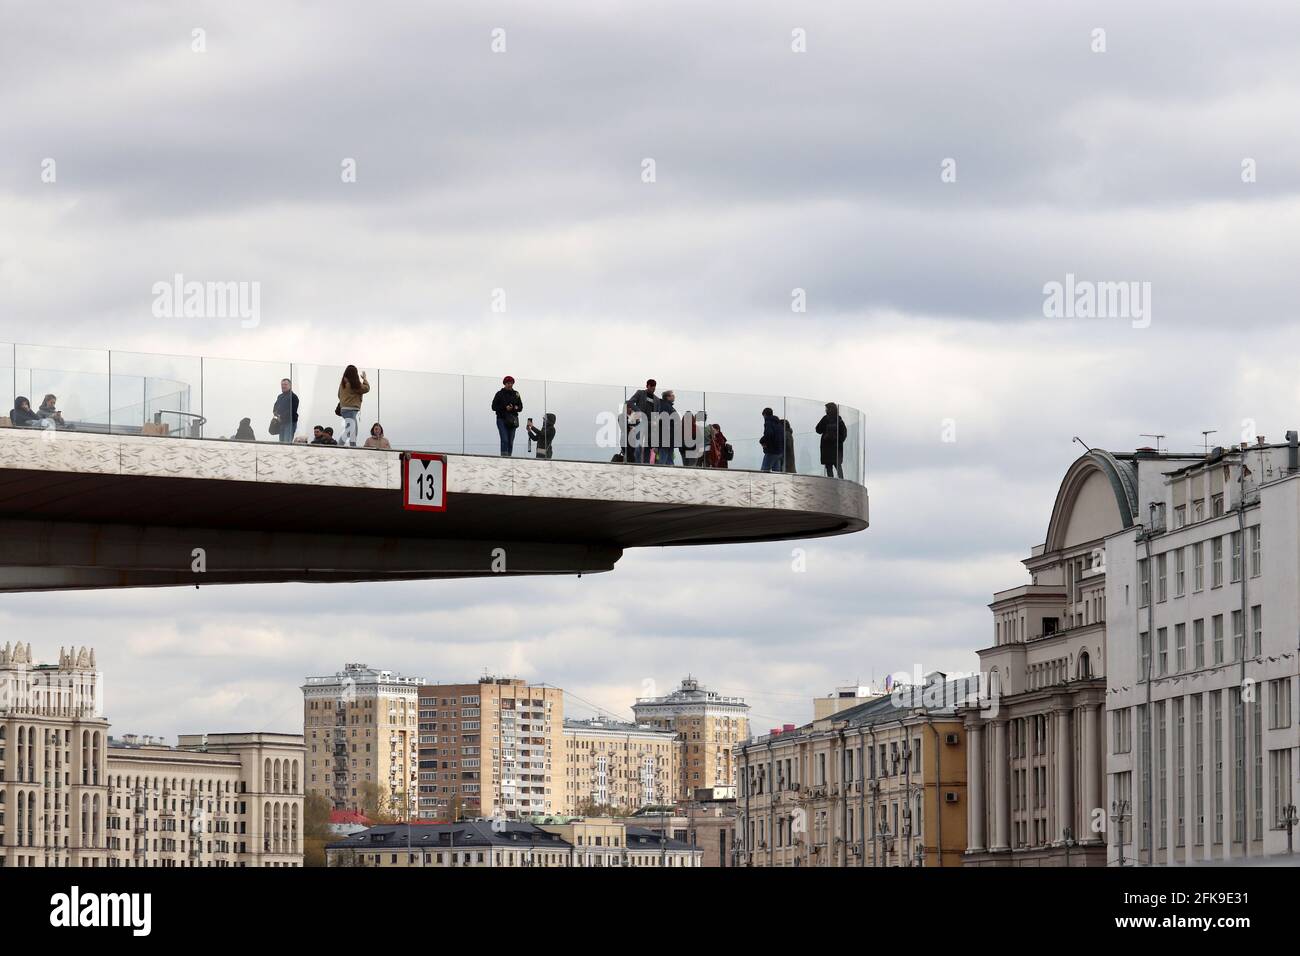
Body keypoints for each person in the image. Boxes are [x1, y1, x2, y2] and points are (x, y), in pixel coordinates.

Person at [337, 365, 370, 447]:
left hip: (344, 409)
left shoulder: (343, 384)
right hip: (350, 410)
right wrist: (365, 379)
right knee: (350, 431)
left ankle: (352, 447)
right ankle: (339, 446)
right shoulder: (354, 384)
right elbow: (366, 389)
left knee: (352, 431)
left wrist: (346, 399)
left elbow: (339, 395)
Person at [627, 379, 658, 463]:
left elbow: (657, 413)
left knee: (648, 446)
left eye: (654, 387)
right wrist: (639, 411)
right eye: (651, 387)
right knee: (638, 446)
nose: (653, 389)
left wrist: (655, 423)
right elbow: (630, 402)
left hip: (650, 425)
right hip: (640, 424)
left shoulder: (656, 399)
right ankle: (637, 464)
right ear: (647, 386)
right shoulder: (640, 393)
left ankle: (646, 466)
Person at [491, 375, 523, 456]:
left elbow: (520, 407)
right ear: (504, 384)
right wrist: (505, 408)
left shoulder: (516, 394)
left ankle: (509, 457)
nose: (510, 385)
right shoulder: (499, 394)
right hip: (501, 419)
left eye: (511, 383)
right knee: (504, 439)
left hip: (513, 420)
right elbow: (493, 407)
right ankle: (504, 457)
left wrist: (515, 408)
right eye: (508, 383)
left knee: (510, 441)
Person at [816, 402, 848, 478]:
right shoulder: (839, 420)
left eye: (826, 409)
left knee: (829, 467)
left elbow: (818, 430)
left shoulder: (826, 419)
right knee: (838, 466)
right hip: (836, 448)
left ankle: (831, 482)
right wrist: (838, 440)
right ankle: (841, 482)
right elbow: (844, 434)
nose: (825, 410)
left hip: (827, 448)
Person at [655, 390, 679, 465]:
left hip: (669, 437)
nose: (674, 396)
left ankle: (671, 471)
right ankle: (660, 471)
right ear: (668, 397)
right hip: (666, 437)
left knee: (669, 458)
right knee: (663, 457)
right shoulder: (664, 406)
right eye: (672, 395)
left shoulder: (668, 406)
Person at [273, 378, 299, 443]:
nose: (283, 386)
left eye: (285, 384)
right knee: (281, 442)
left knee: (286, 442)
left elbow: (292, 410)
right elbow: (275, 407)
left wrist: (280, 416)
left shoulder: (293, 396)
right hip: (282, 422)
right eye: (282, 384)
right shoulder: (280, 396)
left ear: (290, 385)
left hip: (290, 423)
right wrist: (276, 415)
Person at [760, 407, 784, 472]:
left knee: (763, 472)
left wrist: (762, 441)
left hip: (771, 451)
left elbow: (768, 434)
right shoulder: (779, 424)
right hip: (779, 452)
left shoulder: (768, 422)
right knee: (776, 473)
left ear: (765, 414)